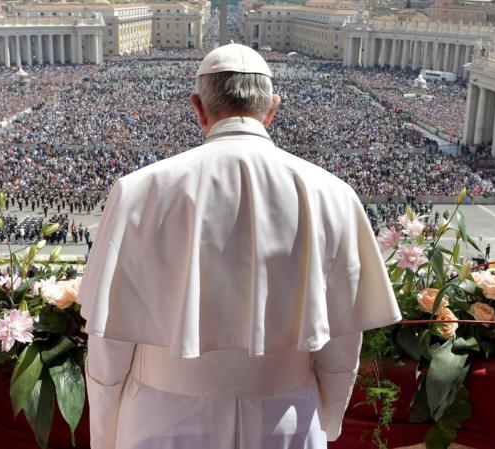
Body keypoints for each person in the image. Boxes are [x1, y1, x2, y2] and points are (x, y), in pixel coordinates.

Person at [78, 44, 401, 449]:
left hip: (161, 419)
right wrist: (328, 419)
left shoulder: (138, 191)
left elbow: (109, 347)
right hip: (287, 418)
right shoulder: (333, 194)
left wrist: (105, 433)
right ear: (272, 109)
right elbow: (341, 348)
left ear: (197, 108)